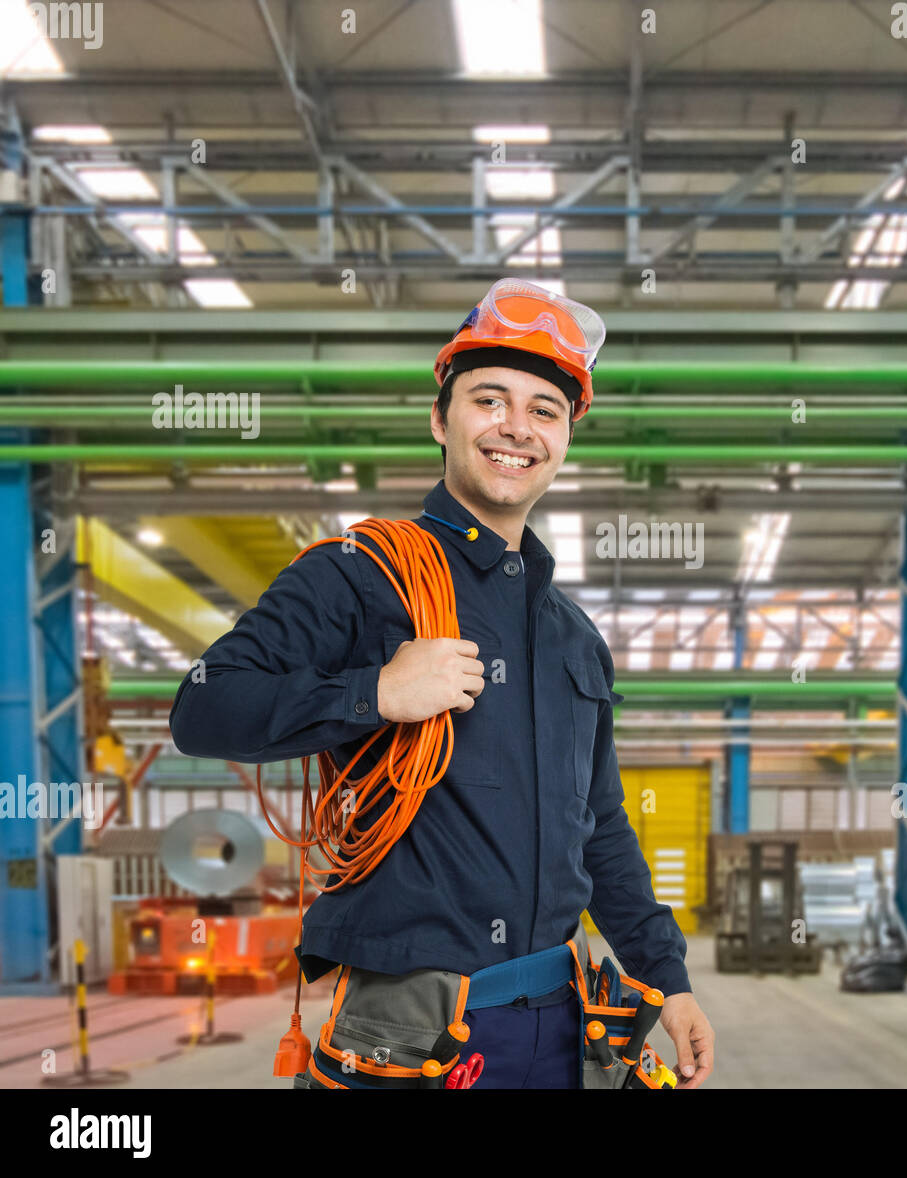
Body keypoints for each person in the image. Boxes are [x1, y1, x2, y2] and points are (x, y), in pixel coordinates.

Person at [170, 278, 714, 1089]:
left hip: (568, 1025)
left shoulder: (573, 635)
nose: (515, 428)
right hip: (411, 1030)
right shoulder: (361, 575)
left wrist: (666, 977)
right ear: (441, 418)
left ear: (565, 438)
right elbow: (204, 707)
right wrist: (373, 694)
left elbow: (599, 825)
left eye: (543, 410)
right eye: (488, 399)